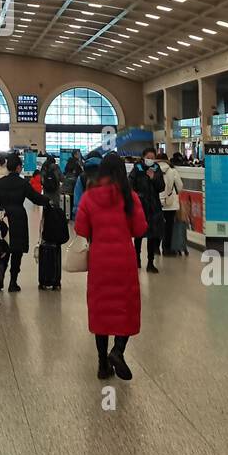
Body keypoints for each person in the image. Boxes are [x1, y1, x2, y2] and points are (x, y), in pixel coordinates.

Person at [74, 154, 148, 381]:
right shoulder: (130, 197)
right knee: (125, 308)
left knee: (101, 310)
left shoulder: (89, 197)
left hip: (99, 262)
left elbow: (80, 229)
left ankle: (102, 364)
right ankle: (118, 351)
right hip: (124, 261)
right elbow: (140, 229)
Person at [0, 152, 49, 293]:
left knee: (3, 250)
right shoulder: (23, 183)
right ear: (17, 167)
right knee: (17, 251)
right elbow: (35, 198)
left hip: (3, 219)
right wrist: (48, 200)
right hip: (18, 218)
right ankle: (13, 282)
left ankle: (0, 279)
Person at [128, 148, 165, 272]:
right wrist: (137, 197)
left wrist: (154, 178)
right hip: (140, 206)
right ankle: (137, 259)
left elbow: (161, 187)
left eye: (152, 157)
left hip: (154, 207)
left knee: (152, 235)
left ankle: (150, 262)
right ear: (144, 157)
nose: (150, 159)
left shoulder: (156, 169)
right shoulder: (137, 169)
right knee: (139, 234)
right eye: (148, 157)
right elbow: (130, 185)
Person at [156, 153, 185, 256]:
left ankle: (155, 248)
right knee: (169, 227)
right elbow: (180, 186)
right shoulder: (173, 171)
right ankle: (166, 249)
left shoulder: (153, 170)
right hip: (170, 203)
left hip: (156, 202)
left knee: (157, 225)